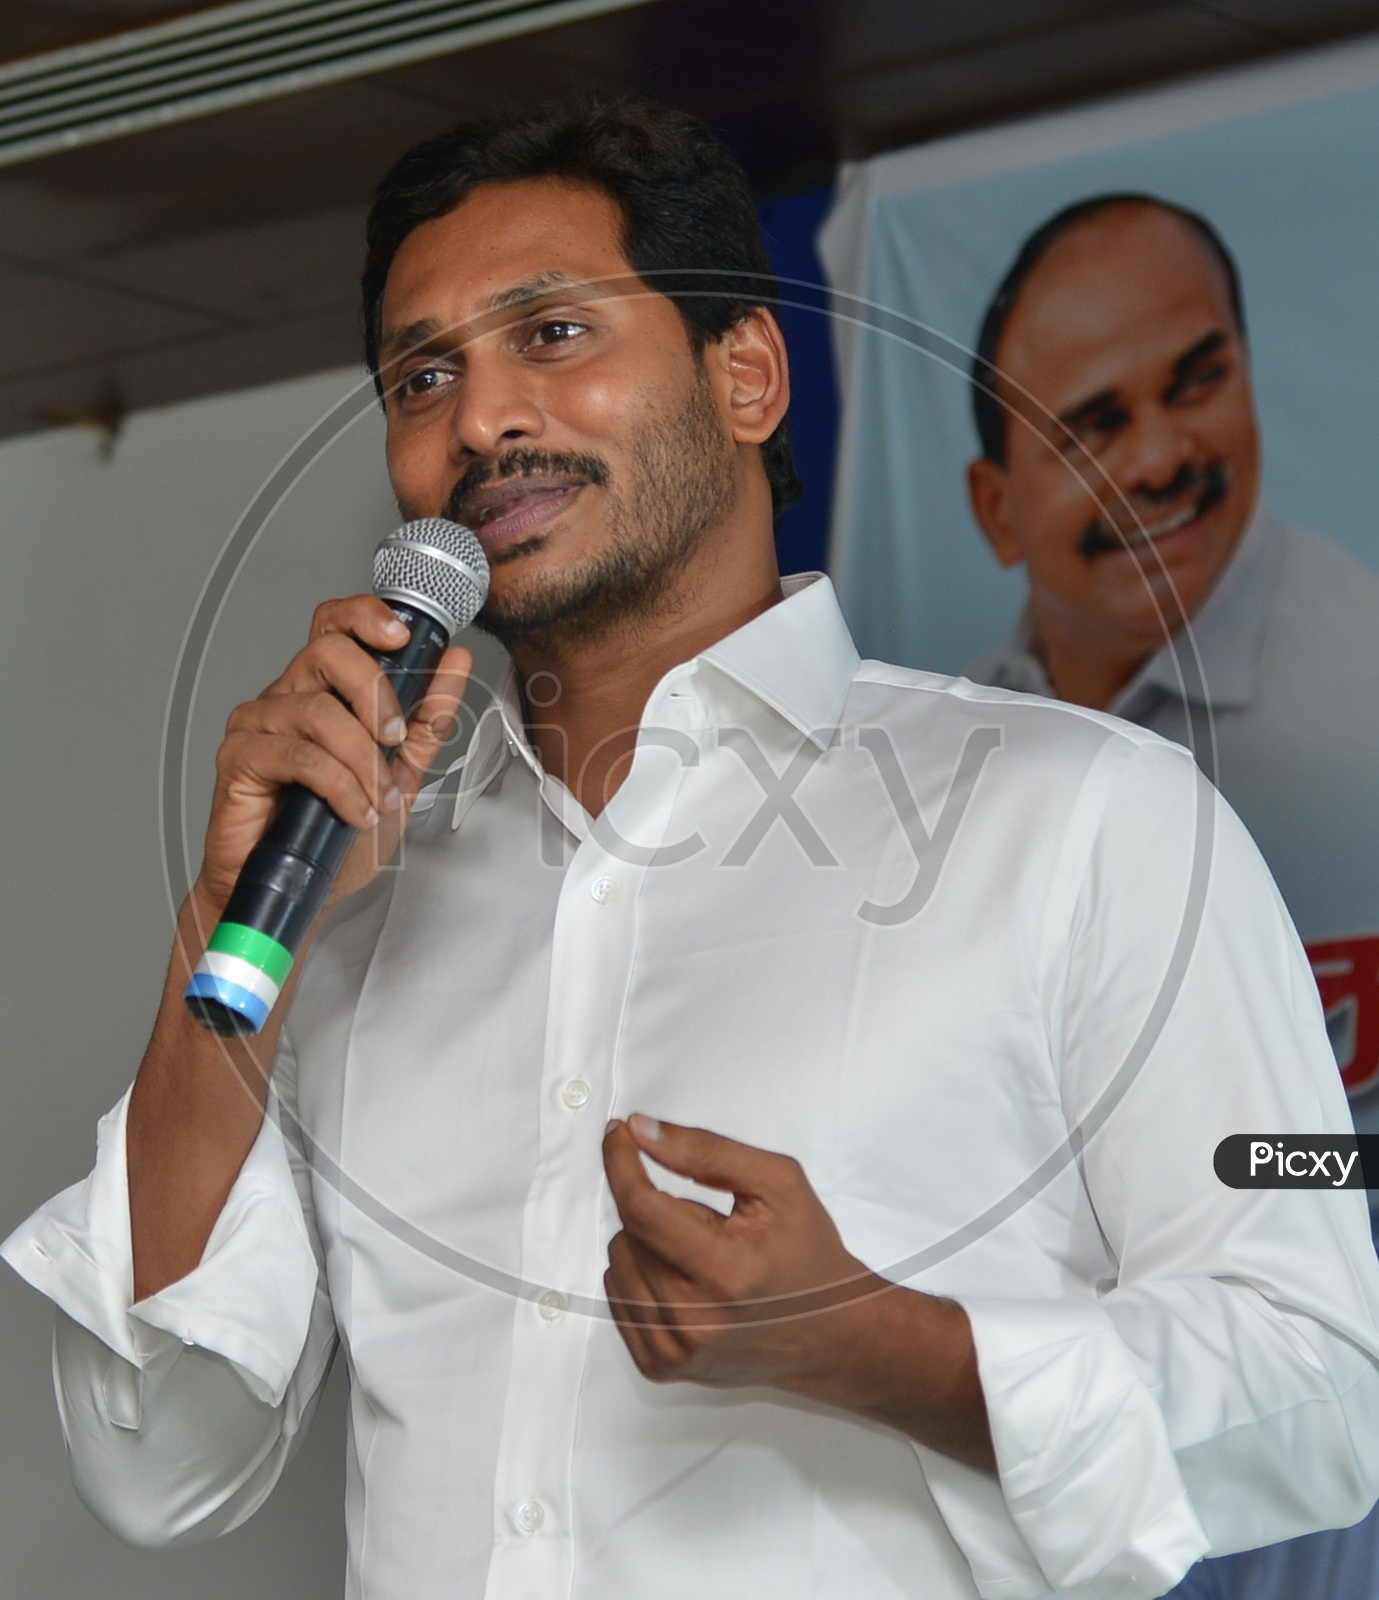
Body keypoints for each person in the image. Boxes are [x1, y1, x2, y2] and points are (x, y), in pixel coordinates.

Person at [6, 103, 1379, 1600]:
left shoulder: (1087, 817)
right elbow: (157, 1464)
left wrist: (889, 1349)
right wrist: (226, 918)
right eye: (424, 374)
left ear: (747, 374)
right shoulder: (348, 912)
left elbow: (1327, 1384)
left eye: (552, 336)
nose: (480, 420)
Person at [962, 193, 1379, 1597]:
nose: (1162, 458)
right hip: (1025, 1488)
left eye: (1197, 381)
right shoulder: (929, 773)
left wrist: (1256, 1164)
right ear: (994, 505)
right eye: (1091, 425)